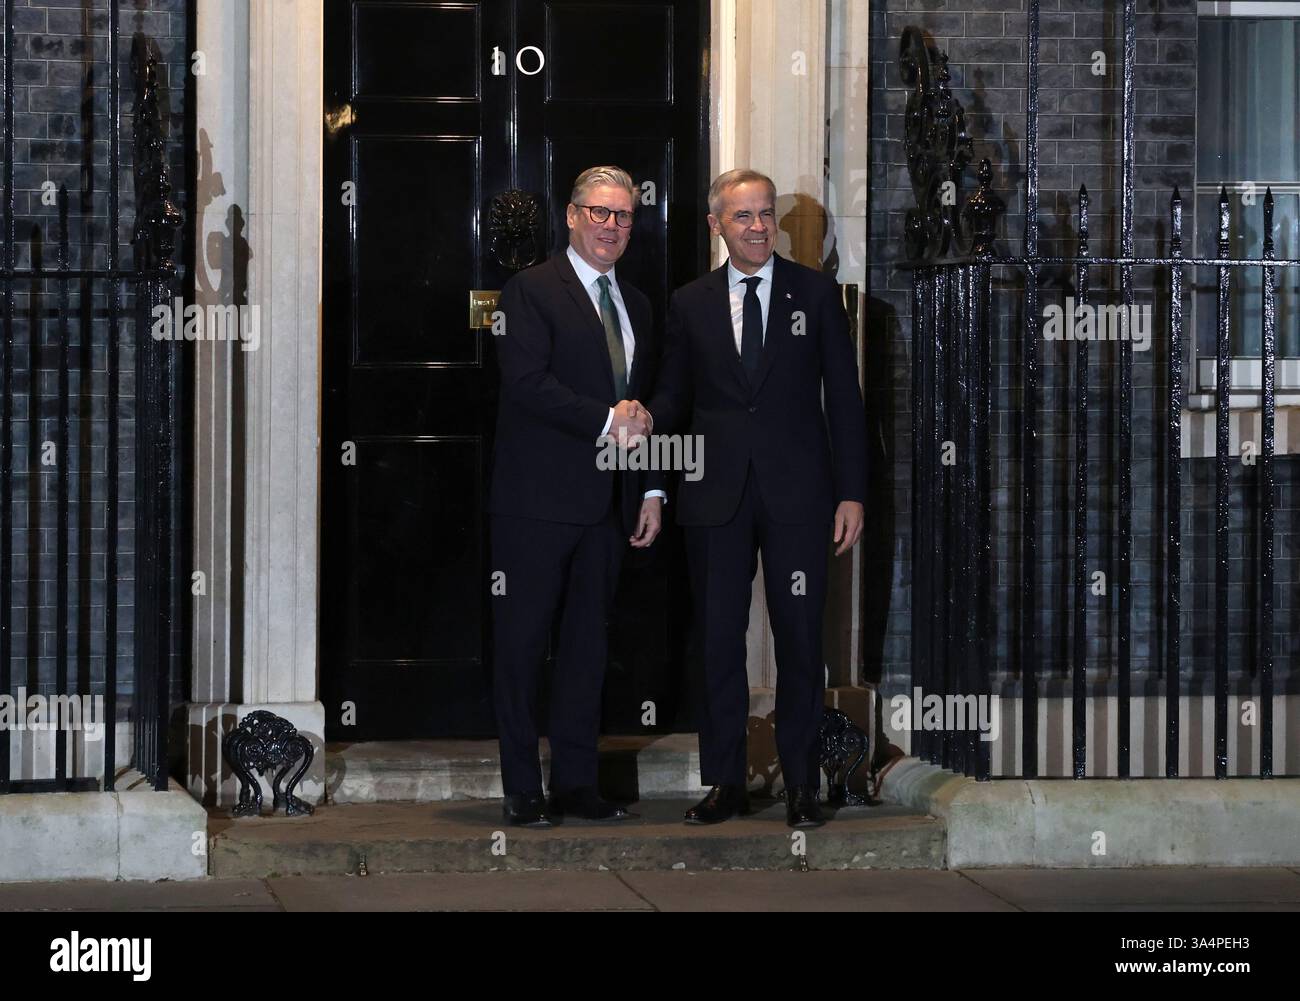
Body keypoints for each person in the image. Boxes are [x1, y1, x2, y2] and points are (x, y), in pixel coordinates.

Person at [647, 169, 867, 828]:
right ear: (717, 224)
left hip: (801, 497)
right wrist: (653, 471)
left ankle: (802, 785)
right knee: (718, 641)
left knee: (801, 640)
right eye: (743, 216)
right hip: (713, 499)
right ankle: (726, 783)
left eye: (766, 214)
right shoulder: (689, 302)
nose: (759, 227)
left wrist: (851, 492)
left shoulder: (817, 295)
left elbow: (846, 404)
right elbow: (673, 401)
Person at [488, 166, 664, 827]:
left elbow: (643, 407)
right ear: (571, 215)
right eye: (599, 213)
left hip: (608, 507)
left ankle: (577, 785)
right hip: (535, 503)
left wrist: (650, 485)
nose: (612, 226)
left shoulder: (638, 304)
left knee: (589, 647)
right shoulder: (528, 291)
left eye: (623, 216)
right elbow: (526, 383)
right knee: (522, 645)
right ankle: (520, 788)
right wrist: (606, 420)